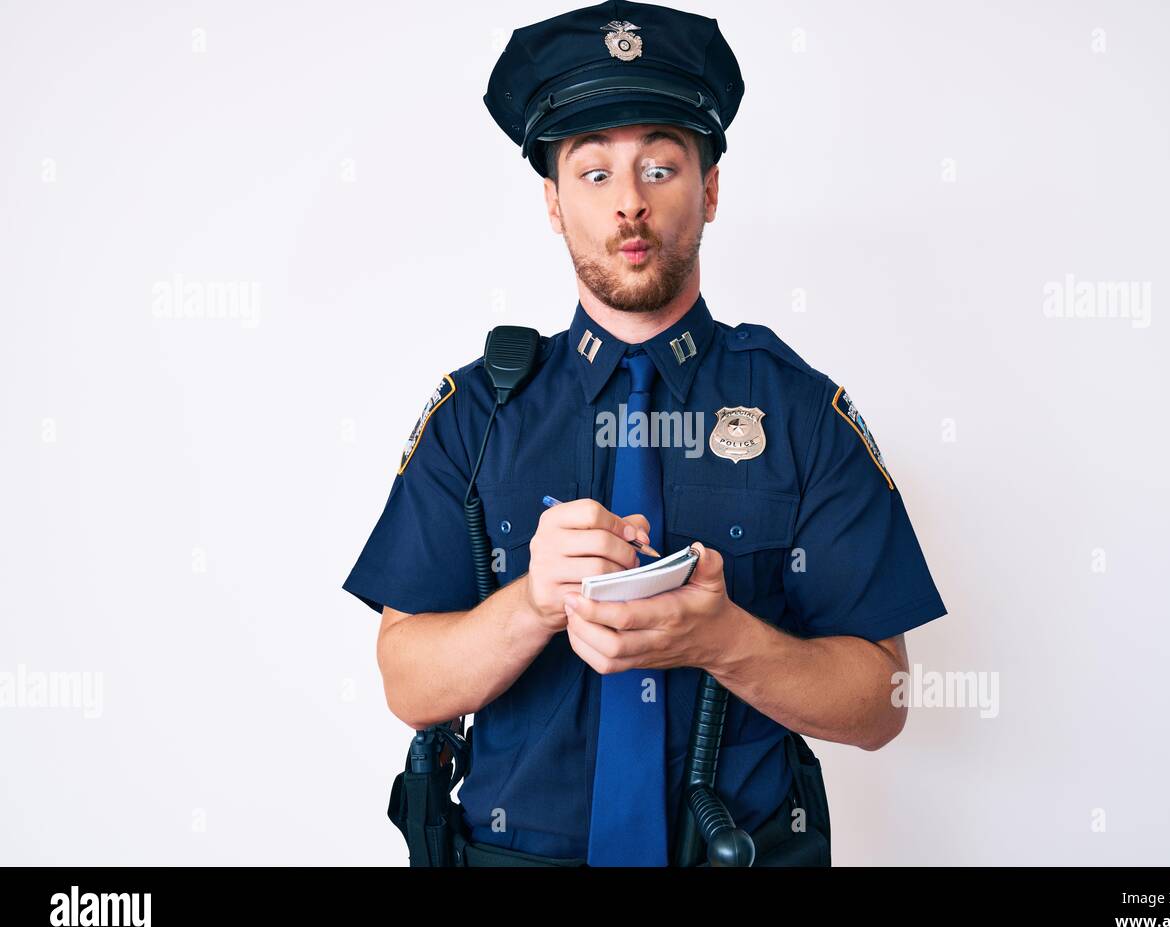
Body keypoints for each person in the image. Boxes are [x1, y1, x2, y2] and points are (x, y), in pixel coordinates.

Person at [342, 0, 947, 867]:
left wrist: (724, 641)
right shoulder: (473, 417)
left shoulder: (804, 414)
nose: (629, 203)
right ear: (553, 202)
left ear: (709, 188)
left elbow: (881, 702)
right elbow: (406, 680)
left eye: (660, 167)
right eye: (593, 174)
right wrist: (533, 604)